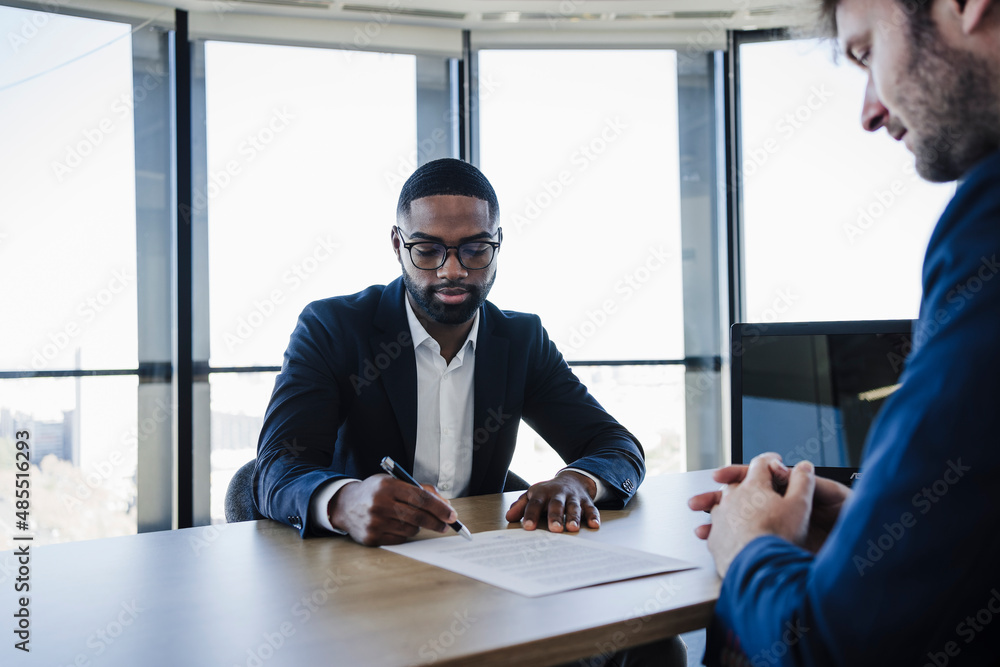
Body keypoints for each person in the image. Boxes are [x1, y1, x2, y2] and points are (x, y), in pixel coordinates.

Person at [688, 0, 1000, 665]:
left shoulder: (988, 227)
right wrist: (882, 524)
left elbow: (833, 647)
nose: (870, 112)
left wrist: (747, 546)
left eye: (864, 54)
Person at [253, 158, 645, 548]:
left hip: (476, 560)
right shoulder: (333, 328)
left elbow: (615, 446)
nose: (452, 271)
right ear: (397, 245)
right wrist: (344, 501)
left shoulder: (521, 339)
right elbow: (276, 468)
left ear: (498, 244)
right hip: (354, 566)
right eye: (427, 250)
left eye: (475, 250)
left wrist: (576, 482)